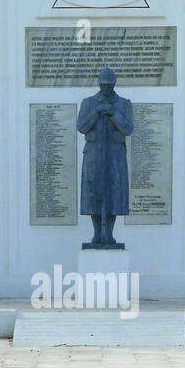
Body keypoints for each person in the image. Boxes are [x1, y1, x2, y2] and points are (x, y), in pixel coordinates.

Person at [76, 66, 133, 248]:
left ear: (114, 84)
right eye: (103, 84)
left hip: (115, 157)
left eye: (109, 84)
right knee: (93, 194)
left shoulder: (124, 104)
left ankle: (109, 234)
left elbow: (128, 129)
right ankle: (96, 235)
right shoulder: (89, 103)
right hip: (93, 156)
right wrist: (97, 111)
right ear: (99, 84)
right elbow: (82, 127)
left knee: (114, 194)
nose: (106, 88)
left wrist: (113, 113)